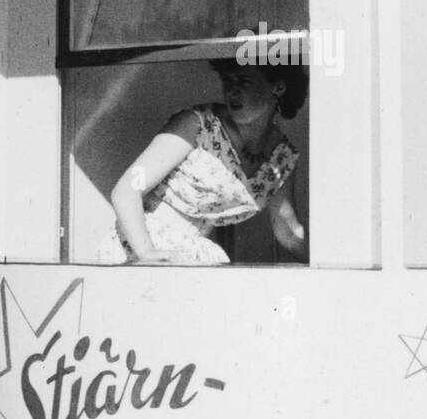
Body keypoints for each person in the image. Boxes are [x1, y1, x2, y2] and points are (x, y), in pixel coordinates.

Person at [99, 59, 307, 265]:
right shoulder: (197, 124)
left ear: (277, 88)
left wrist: (325, 267)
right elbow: (126, 190)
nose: (232, 91)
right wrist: (147, 252)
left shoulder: (282, 158)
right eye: (228, 81)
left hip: (193, 254)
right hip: (144, 246)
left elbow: (287, 230)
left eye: (244, 81)